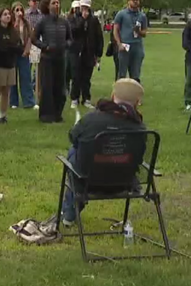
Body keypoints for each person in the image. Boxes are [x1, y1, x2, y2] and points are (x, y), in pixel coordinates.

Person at [61, 78, 146, 226]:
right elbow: (138, 157)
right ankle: (70, 211)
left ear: (113, 96)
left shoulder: (91, 119)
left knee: (74, 150)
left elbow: (72, 137)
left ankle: (69, 213)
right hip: (125, 183)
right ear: (137, 102)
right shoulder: (140, 128)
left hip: (88, 181)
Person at [32, 0, 71, 123]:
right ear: (48, 6)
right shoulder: (43, 22)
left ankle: (57, 114)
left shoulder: (64, 22)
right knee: (47, 86)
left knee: (60, 87)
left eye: (58, 3)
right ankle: (45, 115)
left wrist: (66, 45)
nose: (56, 5)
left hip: (61, 58)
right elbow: (34, 38)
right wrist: (45, 46)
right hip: (47, 58)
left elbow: (70, 38)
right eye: (53, 3)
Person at [0, 7, 22, 124]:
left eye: (9, 14)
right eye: (5, 14)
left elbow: (18, 46)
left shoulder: (13, 31)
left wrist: (11, 47)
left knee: (6, 92)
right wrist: (10, 47)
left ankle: (3, 115)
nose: (8, 16)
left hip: (10, 64)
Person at [69, 0, 103, 109]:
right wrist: (82, 20)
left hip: (89, 53)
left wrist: (98, 54)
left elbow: (99, 37)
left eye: (86, 7)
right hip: (76, 52)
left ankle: (86, 99)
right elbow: (73, 32)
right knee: (76, 76)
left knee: (86, 78)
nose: (84, 10)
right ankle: (74, 98)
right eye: (82, 7)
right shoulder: (74, 18)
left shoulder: (94, 20)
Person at [114, 0, 148, 82]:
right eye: (133, 0)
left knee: (135, 74)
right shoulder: (121, 14)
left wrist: (139, 31)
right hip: (125, 46)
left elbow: (144, 33)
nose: (135, 2)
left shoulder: (142, 16)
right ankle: (120, 94)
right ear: (129, 1)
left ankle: (133, 94)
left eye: (137, 0)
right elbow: (115, 30)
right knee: (122, 73)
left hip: (137, 46)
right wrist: (119, 44)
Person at [9, 1, 36, 110]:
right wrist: (15, 23)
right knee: (13, 78)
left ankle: (29, 101)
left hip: (24, 51)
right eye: (17, 10)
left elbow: (30, 37)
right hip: (13, 52)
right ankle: (13, 101)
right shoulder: (10, 24)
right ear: (13, 12)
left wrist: (27, 49)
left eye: (21, 10)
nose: (19, 12)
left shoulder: (26, 23)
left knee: (26, 77)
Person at [25, 0, 43, 103]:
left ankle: (35, 85)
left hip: (38, 42)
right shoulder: (26, 14)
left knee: (38, 67)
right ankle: (28, 90)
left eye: (37, 1)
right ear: (29, 2)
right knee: (28, 67)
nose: (35, 3)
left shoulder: (41, 15)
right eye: (33, 1)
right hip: (28, 42)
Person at [66, 0, 81, 94]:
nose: (76, 10)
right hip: (69, 47)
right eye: (75, 8)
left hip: (78, 47)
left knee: (76, 70)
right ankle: (66, 87)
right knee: (67, 68)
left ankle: (74, 89)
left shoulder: (81, 18)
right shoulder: (69, 19)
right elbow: (72, 29)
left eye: (78, 8)